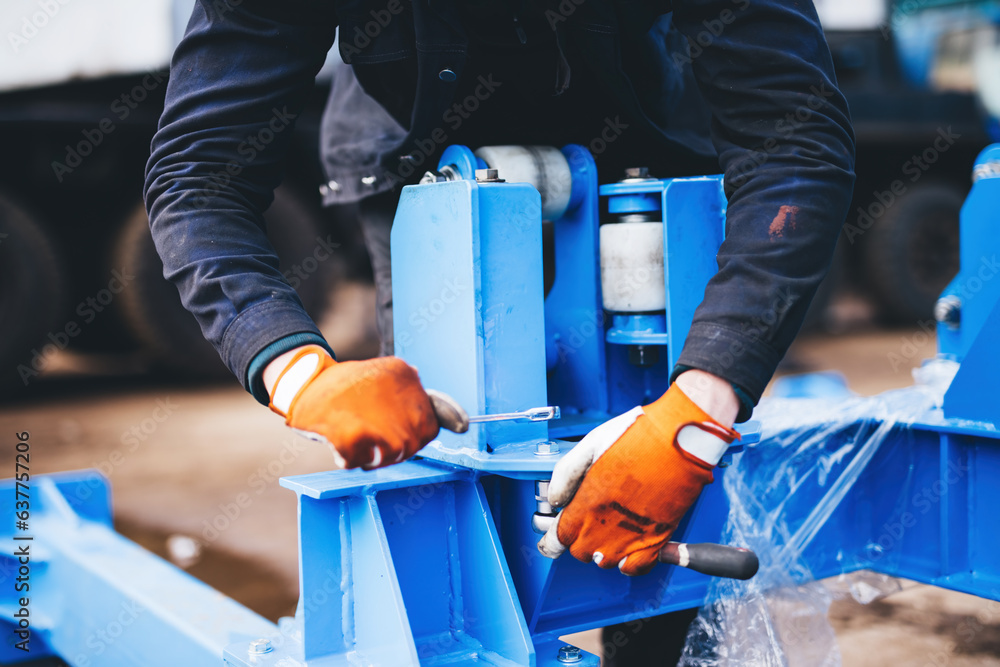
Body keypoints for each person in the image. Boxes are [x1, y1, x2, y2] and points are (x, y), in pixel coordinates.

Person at [145, 0, 854, 579]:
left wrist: (697, 415)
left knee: (658, 487)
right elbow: (197, 177)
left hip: (641, 151)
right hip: (418, 159)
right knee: (452, 498)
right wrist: (300, 377)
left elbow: (795, 143)